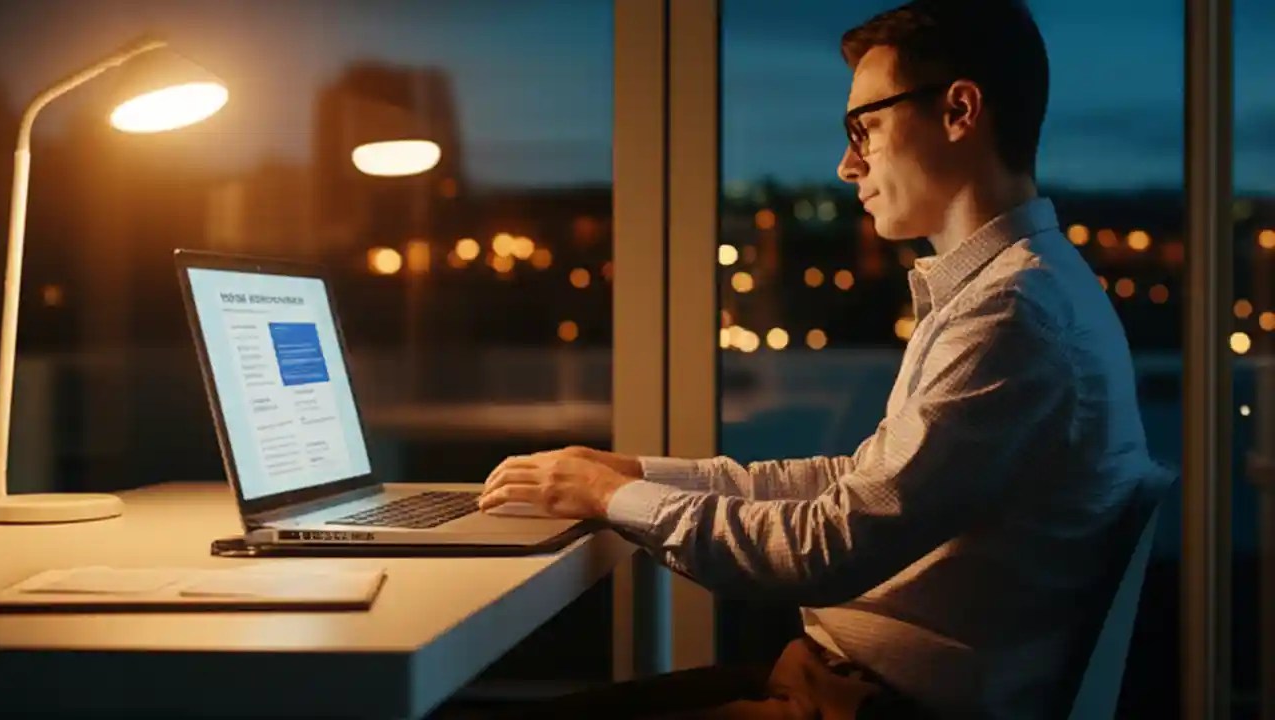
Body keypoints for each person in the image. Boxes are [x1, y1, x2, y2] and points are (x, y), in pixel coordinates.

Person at [477, 0, 1174, 717]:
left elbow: (829, 546)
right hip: (834, 686)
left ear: (959, 110)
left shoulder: (1014, 314)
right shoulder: (1014, 290)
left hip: (868, 707)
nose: (847, 165)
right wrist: (638, 474)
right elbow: (858, 484)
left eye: (864, 128)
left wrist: (609, 498)